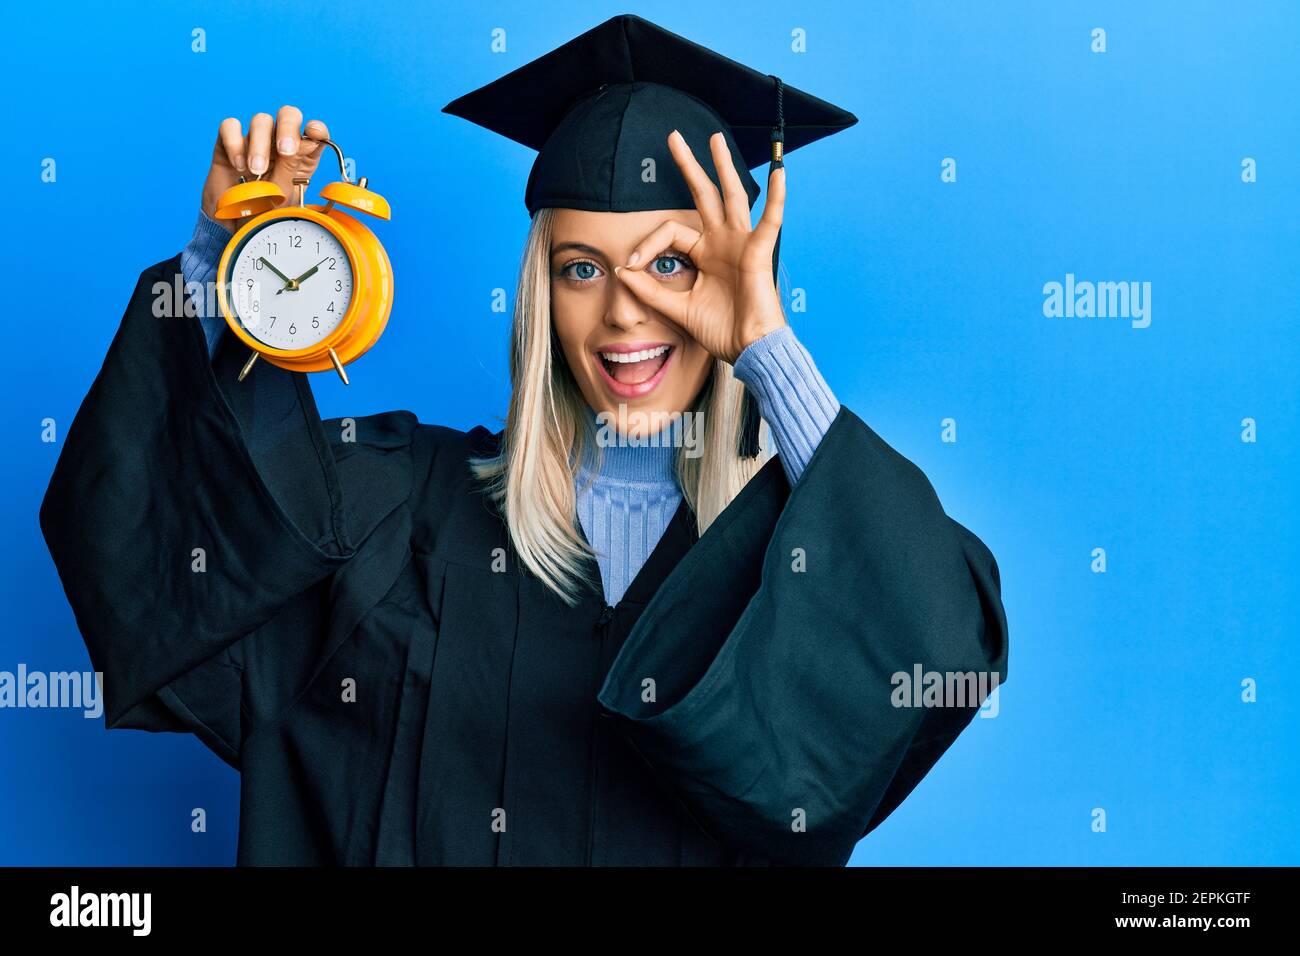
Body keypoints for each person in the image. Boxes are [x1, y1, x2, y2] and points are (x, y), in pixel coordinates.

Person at [40, 14, 1008, 866]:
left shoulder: (784, 565)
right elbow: (152, 556)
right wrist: (228, 262)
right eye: (582, 266)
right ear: (542, 292)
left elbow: (932, 641)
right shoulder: (400, 511)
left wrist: (766, 350)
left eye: (672, 263)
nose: (627, 311)